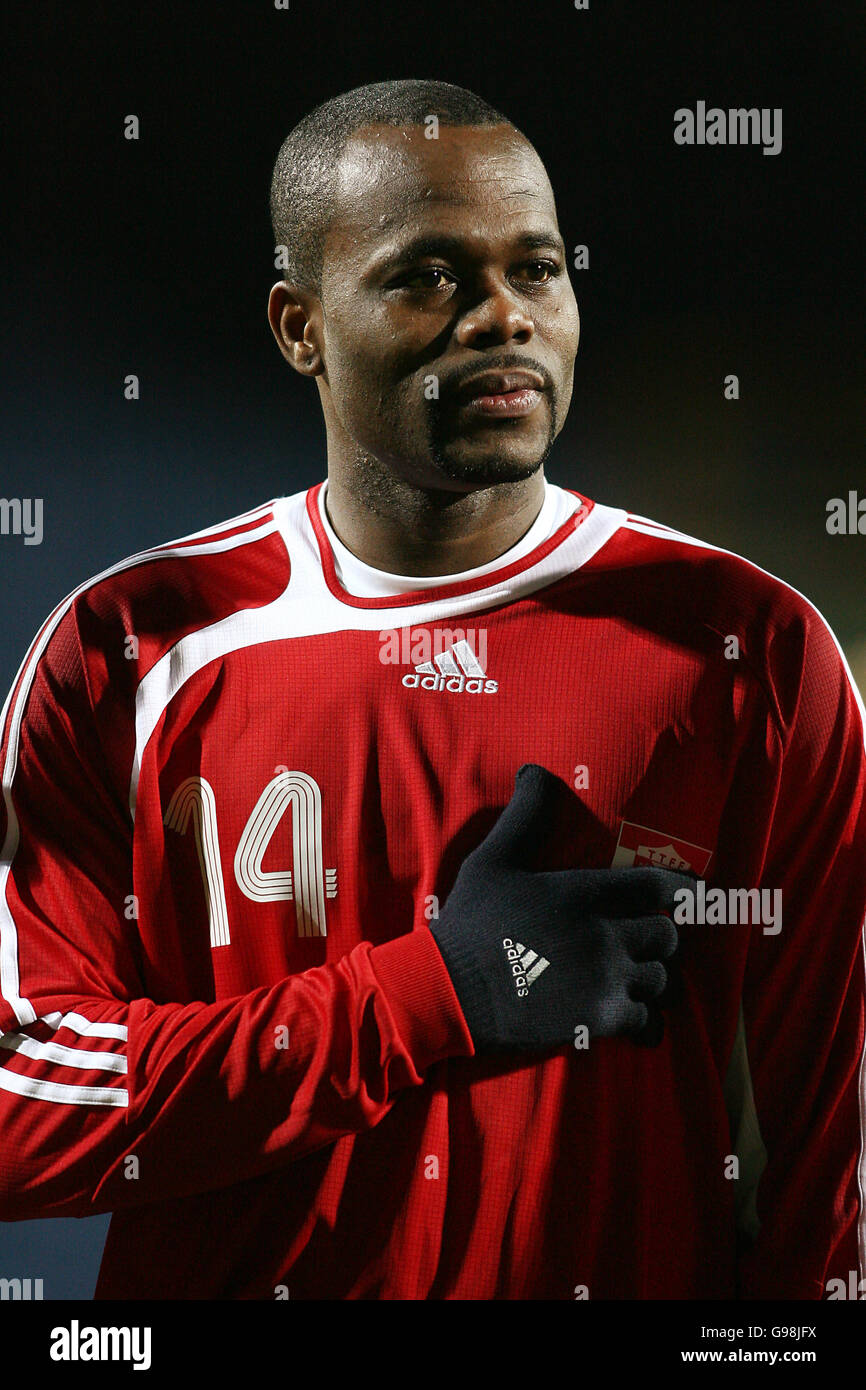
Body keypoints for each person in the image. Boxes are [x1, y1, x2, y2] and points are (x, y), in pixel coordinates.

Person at [0, 78, 863, 1301]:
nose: (501, 317)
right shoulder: (129, 648)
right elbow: (17, 1104)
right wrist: (436, 992)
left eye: (538, 270)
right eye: (429, 276)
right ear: (299, 326)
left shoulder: (747, 646)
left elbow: (834, 1157)